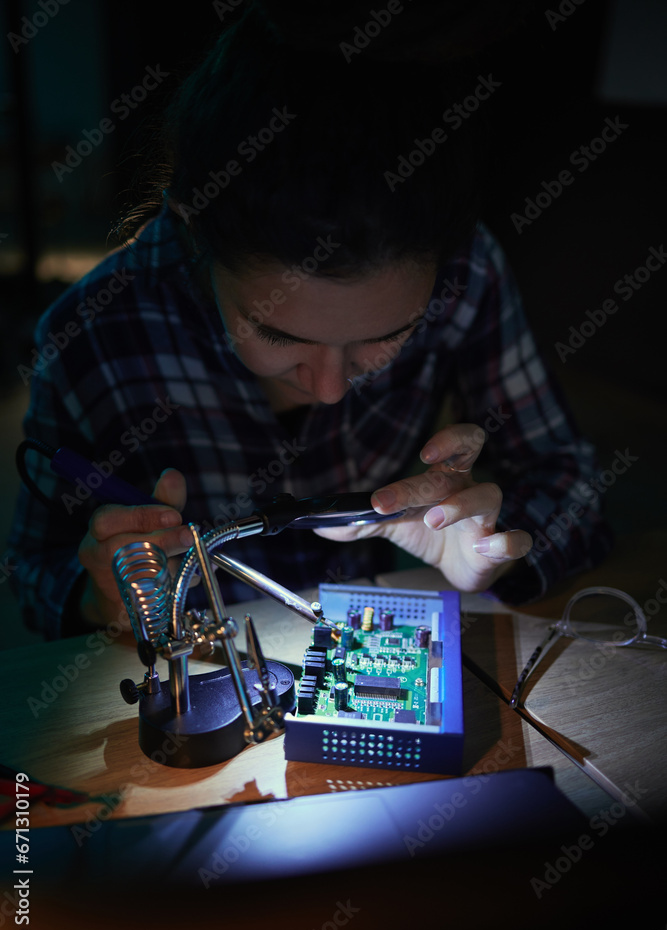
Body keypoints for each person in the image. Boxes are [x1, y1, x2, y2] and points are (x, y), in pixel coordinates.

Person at [8, 1, 613, 640]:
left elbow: (574, 487)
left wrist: (490, 550)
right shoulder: (91, 332)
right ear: (194, 232)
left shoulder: (469, 272)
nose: (328, 388)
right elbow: (34, 575)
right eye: (276, 332)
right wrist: (99, 593)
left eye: (388, 336)